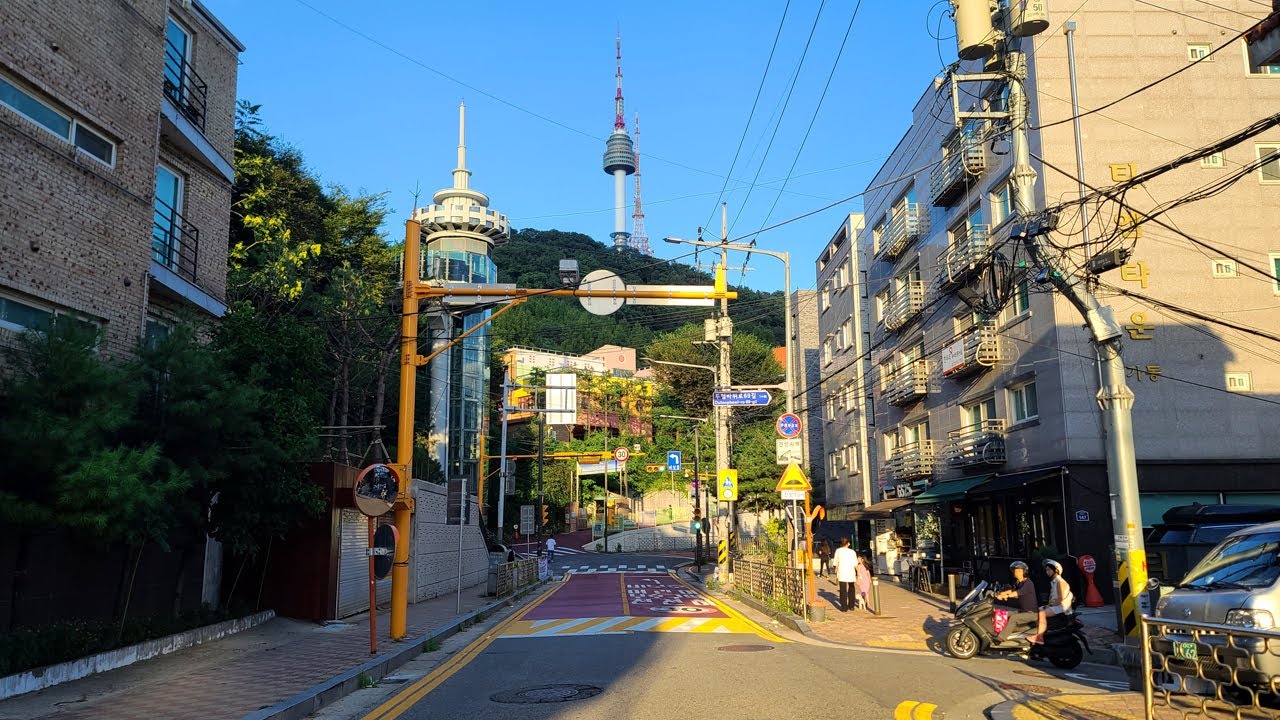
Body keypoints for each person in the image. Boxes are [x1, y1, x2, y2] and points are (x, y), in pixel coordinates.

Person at [1028, 559, 1075, 644]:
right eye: (1046, 570)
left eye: (1049, 570)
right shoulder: (1054, 582)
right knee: (1036, 609)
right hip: (1056, 606)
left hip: (1062, 607)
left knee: (1042, 613)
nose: (1047, 572)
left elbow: (1060, 599)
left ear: (1056, 570)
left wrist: (1049, 606)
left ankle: (1039, 636)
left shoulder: (1060, 582)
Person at [994, 561, 1038, 637]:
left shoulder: (1028, 583)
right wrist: (1001, 593)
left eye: (1019, 571)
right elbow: (1012, 590)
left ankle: (1001, 638)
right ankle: (997, 631)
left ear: (1024, 572)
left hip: (1031, 613)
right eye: (1015, 571)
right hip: (1022, 611)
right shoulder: (1019, 582)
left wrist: (1006, 596)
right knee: (1003, 613)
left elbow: (1016, 593)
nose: (1016, 573)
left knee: (1014, 618)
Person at [832, 536, 859, 612]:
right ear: (848, 543)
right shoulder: (852, 552)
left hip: (842, 572)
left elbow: (836, 562)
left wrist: (836, 570)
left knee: (843, 590)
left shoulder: (838, 551)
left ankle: (844, 607)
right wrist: (859, 573)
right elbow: (855, 564)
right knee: (851, 588)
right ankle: (851, 605)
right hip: (850, 572)